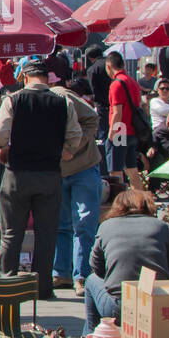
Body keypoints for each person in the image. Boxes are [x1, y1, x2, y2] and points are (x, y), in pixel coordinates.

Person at [0, 57, 82, 299]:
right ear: (46, 78)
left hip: (17, 174)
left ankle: (6, 283)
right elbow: (75, 136)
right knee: (47, 233)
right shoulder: (63, 102)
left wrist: (4, 148)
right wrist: (65, 151)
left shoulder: (13, 100)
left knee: (11, 232)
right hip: (50, 174)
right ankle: (42, 288)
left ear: (24, 77)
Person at [85, 190, 169, 334]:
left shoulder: (106, 226)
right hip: (156, 303)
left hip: (118, 307)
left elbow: (96, 268)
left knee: (90, 280)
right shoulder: (161, 227)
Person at [51, 77, 103, 298]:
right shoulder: (26, 101)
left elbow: (92, 119)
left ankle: (82, 276)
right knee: (61, 224)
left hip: (84, 166)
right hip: (58, 170)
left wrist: (74, 146)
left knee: (83, 223)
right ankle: (61, 272)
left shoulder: (61, 96)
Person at [107, 50, 147, 191]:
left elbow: (117, 112)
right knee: (131, 169)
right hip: (132, 130)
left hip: (120, 130)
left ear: (108, 66)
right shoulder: (133, 82)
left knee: (115, 171)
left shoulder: (116, 84)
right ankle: (141, 200)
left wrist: (111, 133)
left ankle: (119, 201)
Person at [85, 46, 111, 141]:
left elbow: (94, 90)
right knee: (119, 138)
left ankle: (105, 155)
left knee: (104, 135)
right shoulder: (111, 65)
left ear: (90, 58)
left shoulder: (92, 69)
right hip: (118, 106)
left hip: (103, 107)